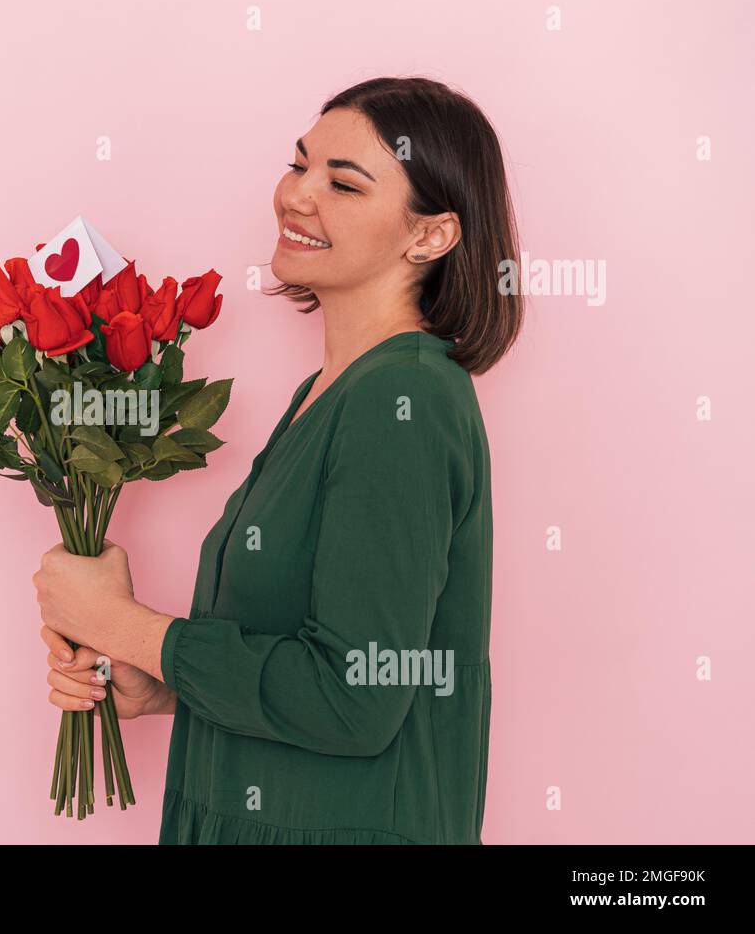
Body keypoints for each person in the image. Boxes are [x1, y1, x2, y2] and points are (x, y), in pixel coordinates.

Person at [33, 77, 522, 844]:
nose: (298, 196)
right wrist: (161, 685)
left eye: (343, 183)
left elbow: (354, 697)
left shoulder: (403, 402)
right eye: (299, 166)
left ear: (431, 236)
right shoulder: (328, 393)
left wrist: (126, 627)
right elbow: (301, 655)